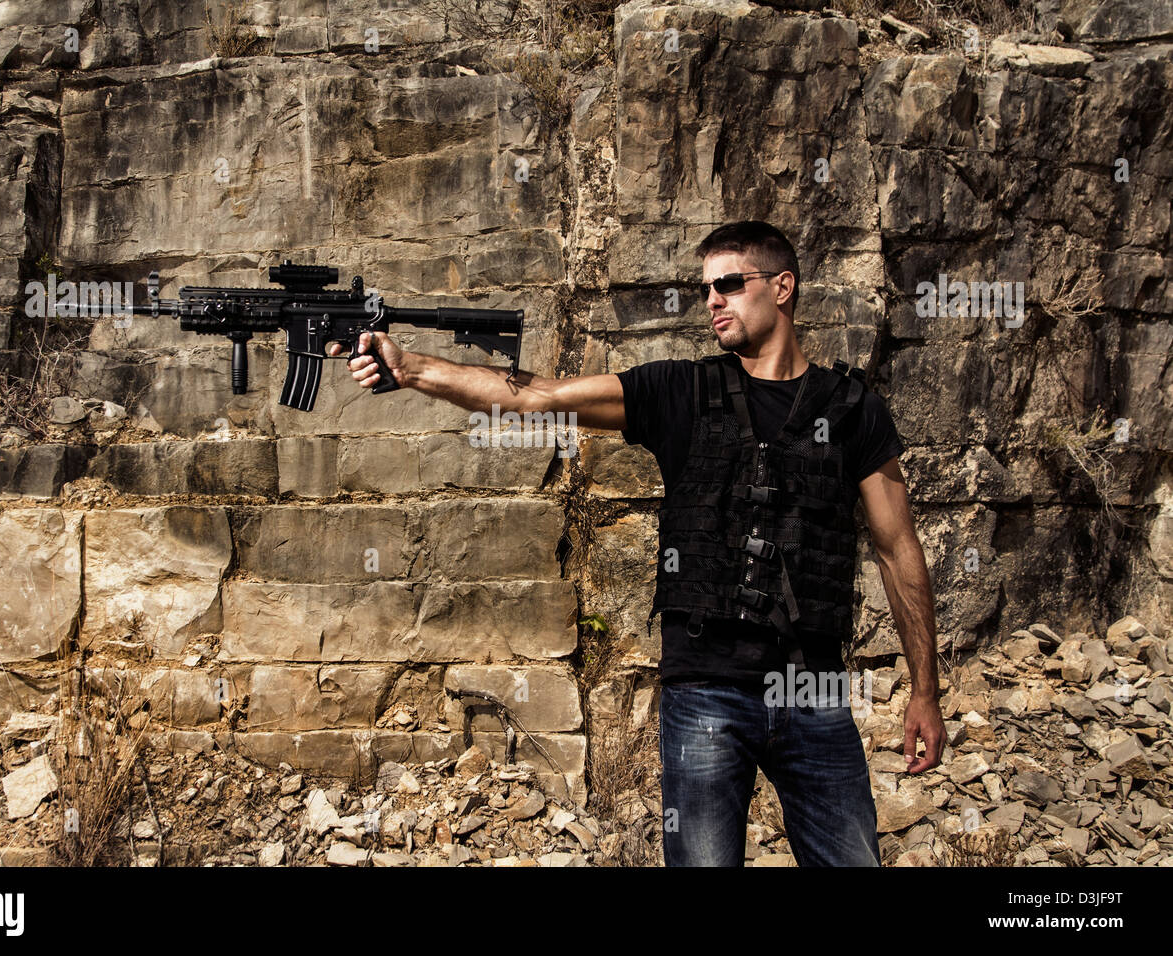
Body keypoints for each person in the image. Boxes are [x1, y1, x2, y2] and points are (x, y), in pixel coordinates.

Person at [327, 220, 947, 866]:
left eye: (730, 284)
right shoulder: (681, 391)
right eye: (705, 287)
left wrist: (925, 693)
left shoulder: (853, 410)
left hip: (814, 693)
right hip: (706, 693)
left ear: (783, 287)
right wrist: (413, 368)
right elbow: (542, 399)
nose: (712, 300)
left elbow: (899, 550)